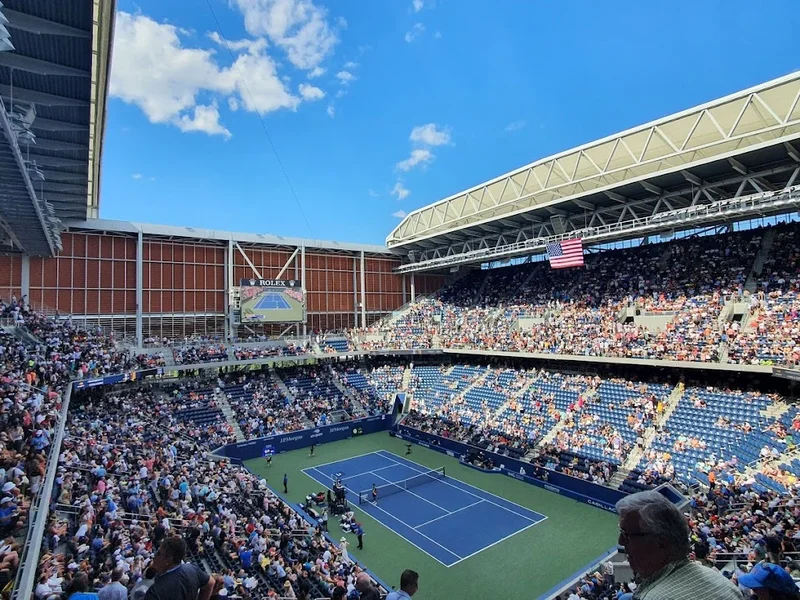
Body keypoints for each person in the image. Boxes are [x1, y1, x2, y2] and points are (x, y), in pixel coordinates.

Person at [615, 491, 743, 599]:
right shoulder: (725, 584)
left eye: (627, 535)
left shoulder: (655, 597)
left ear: (661, 543)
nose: (621, 541)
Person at [144, 537, 215, 600]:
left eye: (158, 553)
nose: (154, 556)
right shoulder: (192, 569)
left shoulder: (154, 592)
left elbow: (211, 582)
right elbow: (211, 582)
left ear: (168, 560)